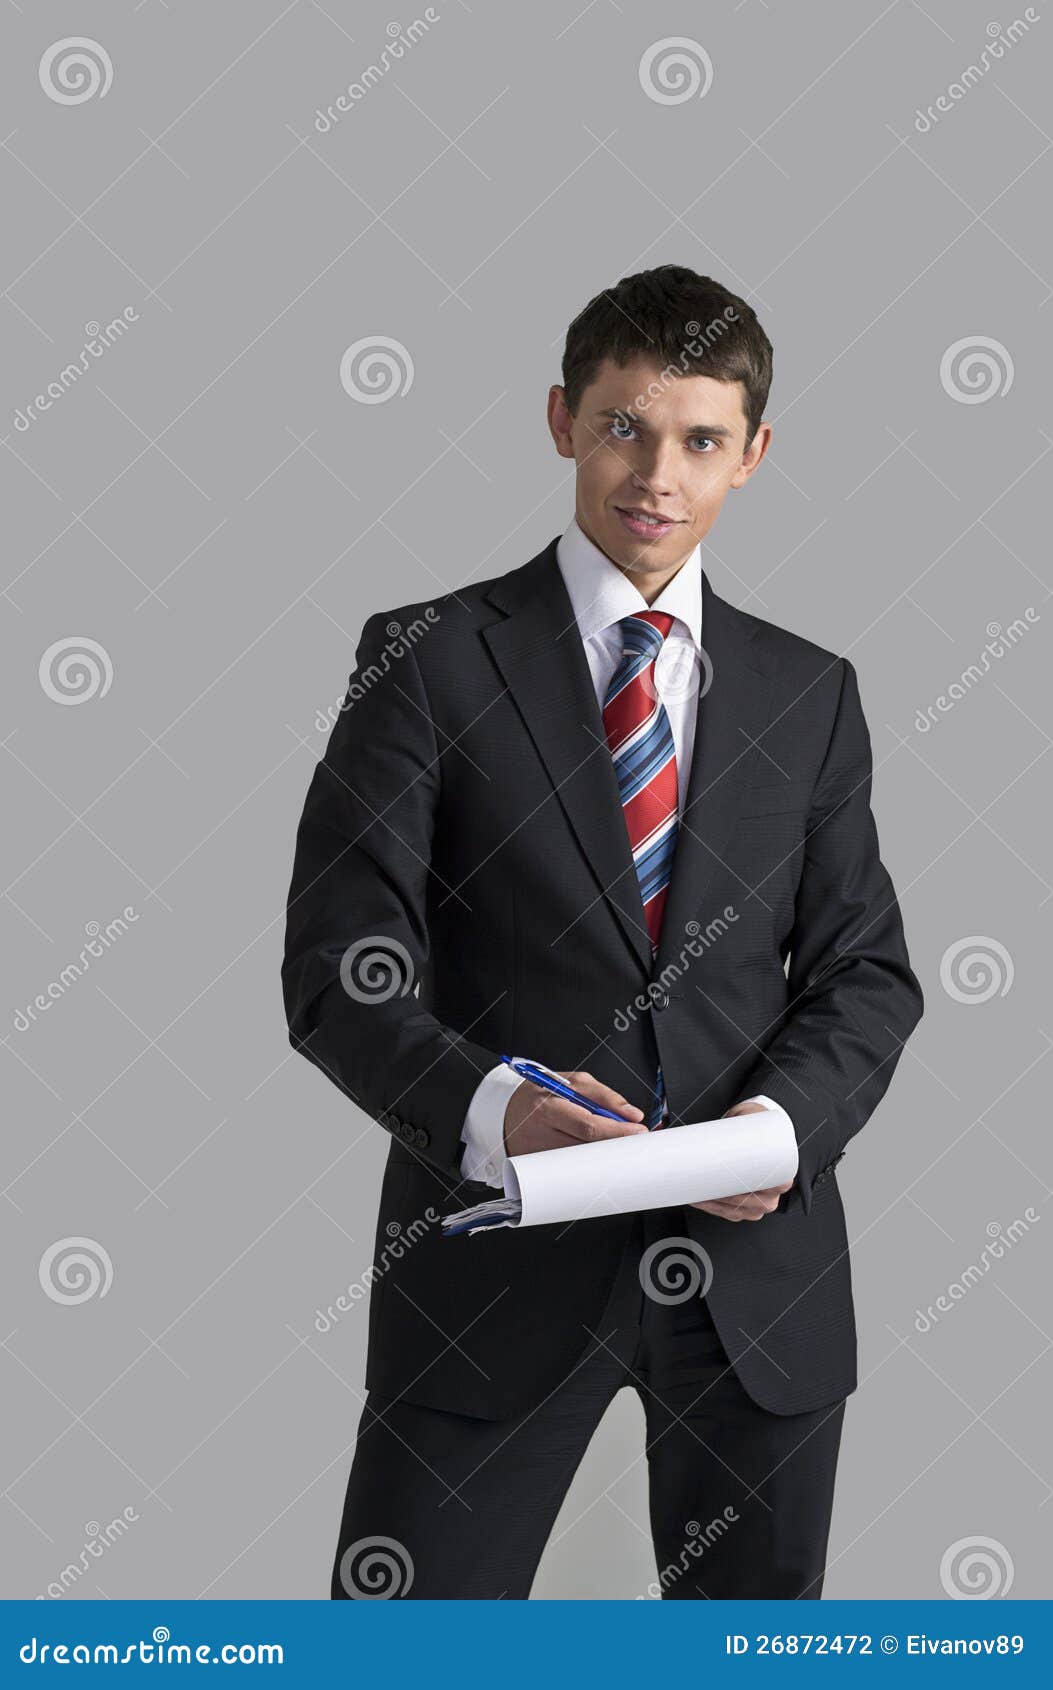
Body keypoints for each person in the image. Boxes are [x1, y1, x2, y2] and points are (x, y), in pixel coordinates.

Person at [281, 264, 924, 1599]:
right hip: (494, 1271)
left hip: (760, 1284)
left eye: (698, 439)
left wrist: (785, 1130)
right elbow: (341, 969)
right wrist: (493, 1109)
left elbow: (862, 967)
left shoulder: (809, 694)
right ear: (562, 417)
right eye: (625, 425)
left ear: (752, 454)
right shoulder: (426, 659)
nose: (655, 473)